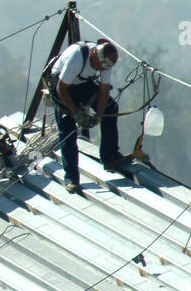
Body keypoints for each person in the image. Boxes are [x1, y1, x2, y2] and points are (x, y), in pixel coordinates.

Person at [48, 38, 132, 193]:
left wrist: (99, 114)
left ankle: (110, 156)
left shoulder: (106, 61)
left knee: (110, 107)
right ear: (94, 56)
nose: (101, 69)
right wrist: (76, 113)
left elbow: (104, 90)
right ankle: (71, 178)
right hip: (61, 86)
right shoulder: (77, 57)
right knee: (68, 131)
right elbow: (61, 88)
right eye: (99, 66)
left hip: (81, 84)